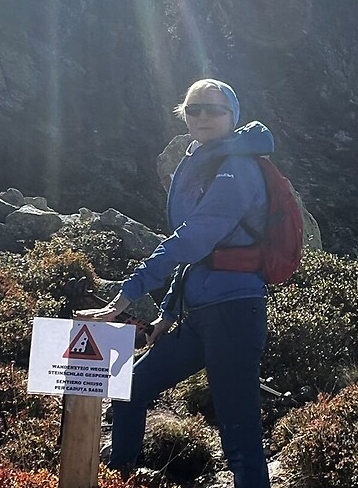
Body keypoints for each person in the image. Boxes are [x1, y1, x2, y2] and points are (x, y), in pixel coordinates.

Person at [77, 78, 272, 487]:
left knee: (240, 438)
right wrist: (167, 313)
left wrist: (128, 293)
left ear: (232, 117)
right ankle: (120, 476)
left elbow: (195, 238)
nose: (202, 116)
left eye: (214, 109)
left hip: (235, 313)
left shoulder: (237, 167)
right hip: (202, 315)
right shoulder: (208, 160)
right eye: (194, 109)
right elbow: (197, 257)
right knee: (130, 388)